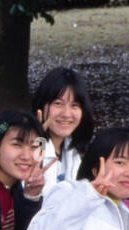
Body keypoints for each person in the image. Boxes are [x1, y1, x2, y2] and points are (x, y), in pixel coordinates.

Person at [31, 66, 94, 197]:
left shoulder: (73, 151)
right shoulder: (33, 148)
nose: (66, 114)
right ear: (42, 105)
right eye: (58, 103)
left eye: (74, 105)